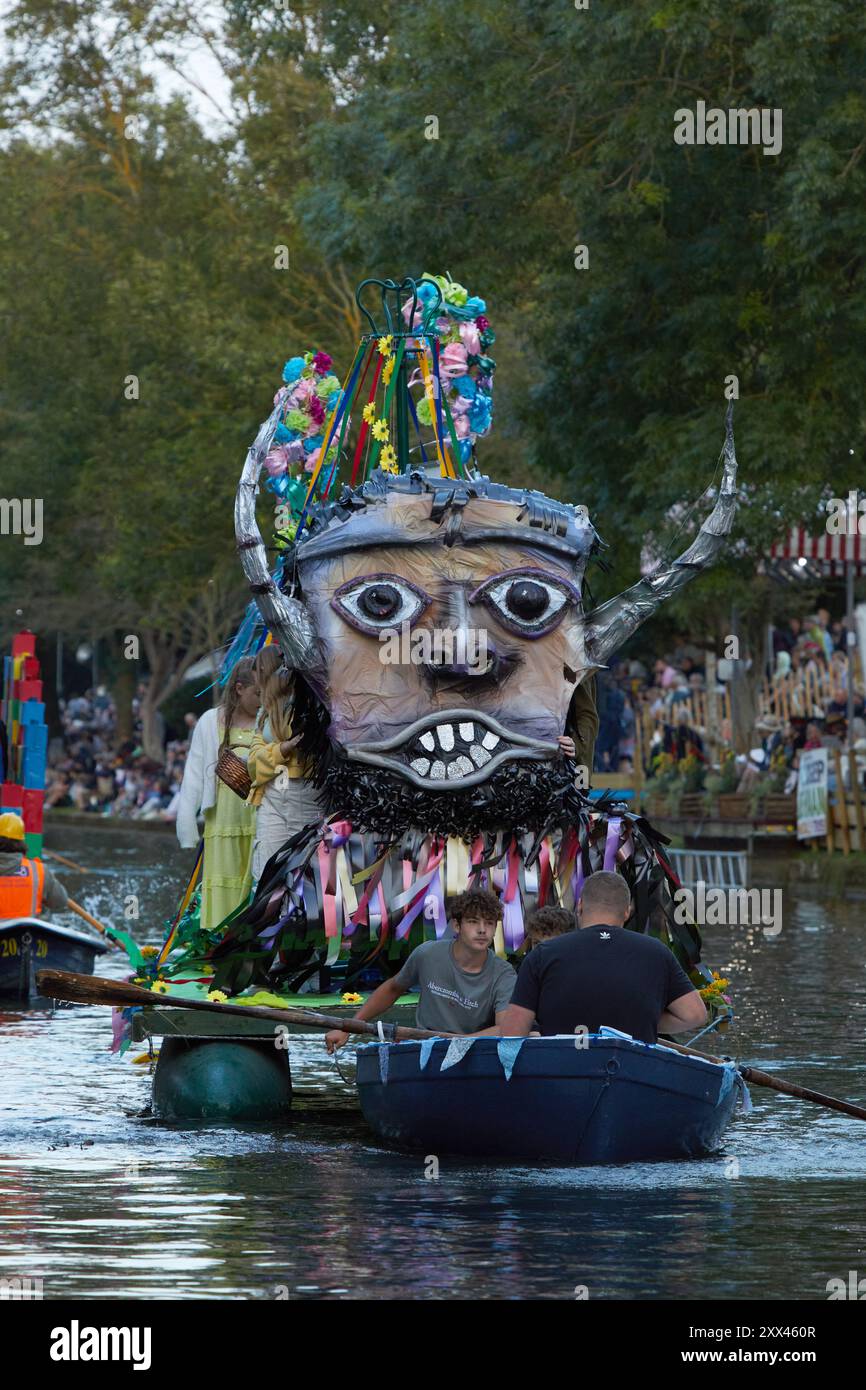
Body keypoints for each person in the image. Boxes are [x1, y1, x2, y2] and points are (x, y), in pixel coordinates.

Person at [497, 869, 706, 1045]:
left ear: (579, 906)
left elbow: (513, 1034)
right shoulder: (658, 952)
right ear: (627, 912)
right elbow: (695, 1015)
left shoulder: (542, 953)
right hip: (631, 1068)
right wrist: (643, 1020)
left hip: (563, 1068)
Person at [325, 888, 516, 1051]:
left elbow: (506, 1028)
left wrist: (460, 1043)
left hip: (475, 1052)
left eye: (489, 923)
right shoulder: (427, 954)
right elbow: (393, 989)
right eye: (474, 922)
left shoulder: (504, 974)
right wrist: (348, 1028)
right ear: (457, 926)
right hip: (423, 1048)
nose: (482, 930)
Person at [175, 658, 259, 932]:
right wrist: (187, 829)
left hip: (259, 818)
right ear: (238, 688)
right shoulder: (211, 721)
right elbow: (194, 776)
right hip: (223, 818)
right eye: (257, 693)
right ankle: (218, 940)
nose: (262, 700)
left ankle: (250, 942)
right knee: (223, 881)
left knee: (254, 881)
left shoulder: (268, 721)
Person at [247, 646, 322, 884]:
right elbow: (253, 765)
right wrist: (283, 749)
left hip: (307, 794)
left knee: (308, 873)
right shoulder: (264, 714)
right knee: (267, 872)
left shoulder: (310, 702)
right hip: (272, 796)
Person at [0, 813, 69, 916]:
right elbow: (61, 902)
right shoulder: (38, 870)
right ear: (21, 842)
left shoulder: (39, 871)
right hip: (25, 931)